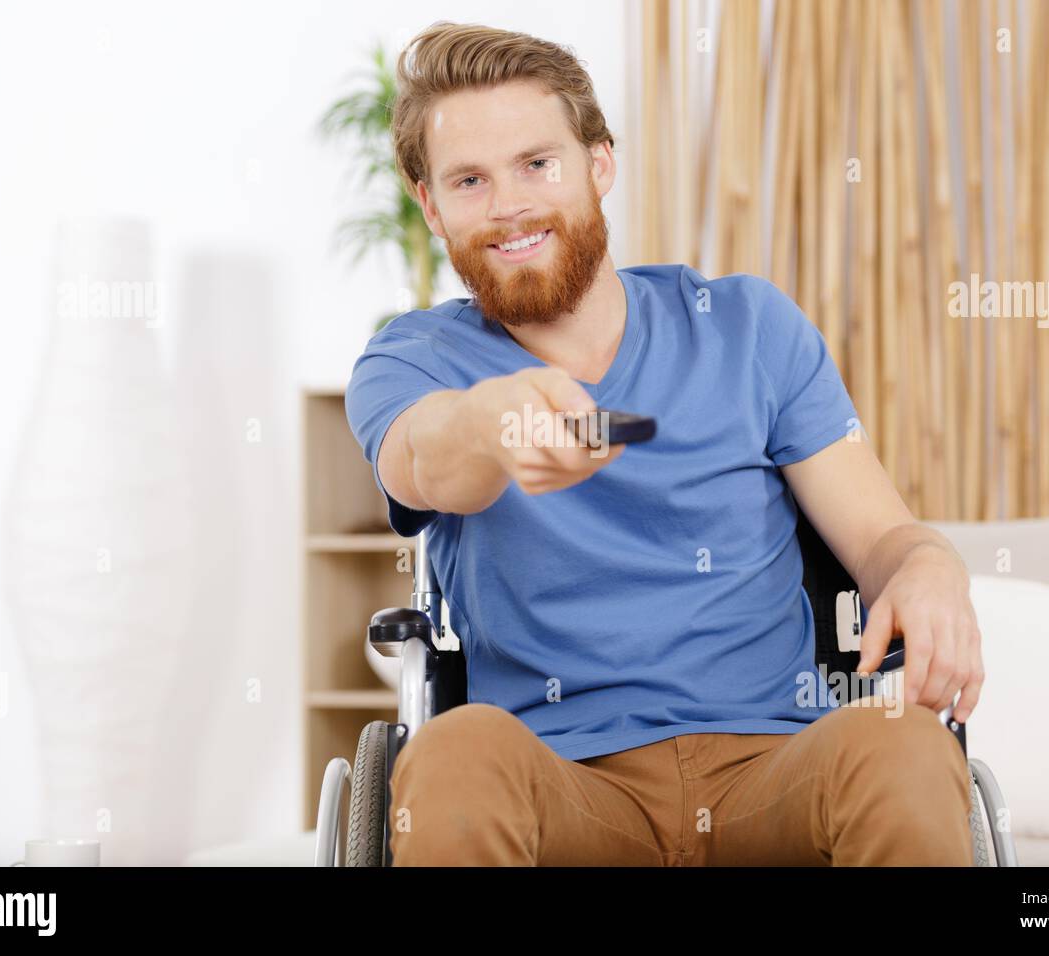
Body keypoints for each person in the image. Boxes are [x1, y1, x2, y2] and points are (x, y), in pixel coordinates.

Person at [344, 20, 984, 866]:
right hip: (565, 785)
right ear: (430, 205)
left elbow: (881, 541)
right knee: (454, 755)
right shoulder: (414, 359)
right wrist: (492, 425)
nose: (509, 206)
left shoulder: (747, 329)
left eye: (538, 163)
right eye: (469, 180)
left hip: (778, 769)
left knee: (902, 743)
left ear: (599, 162)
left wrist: (930, 564)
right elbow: (423, 460)